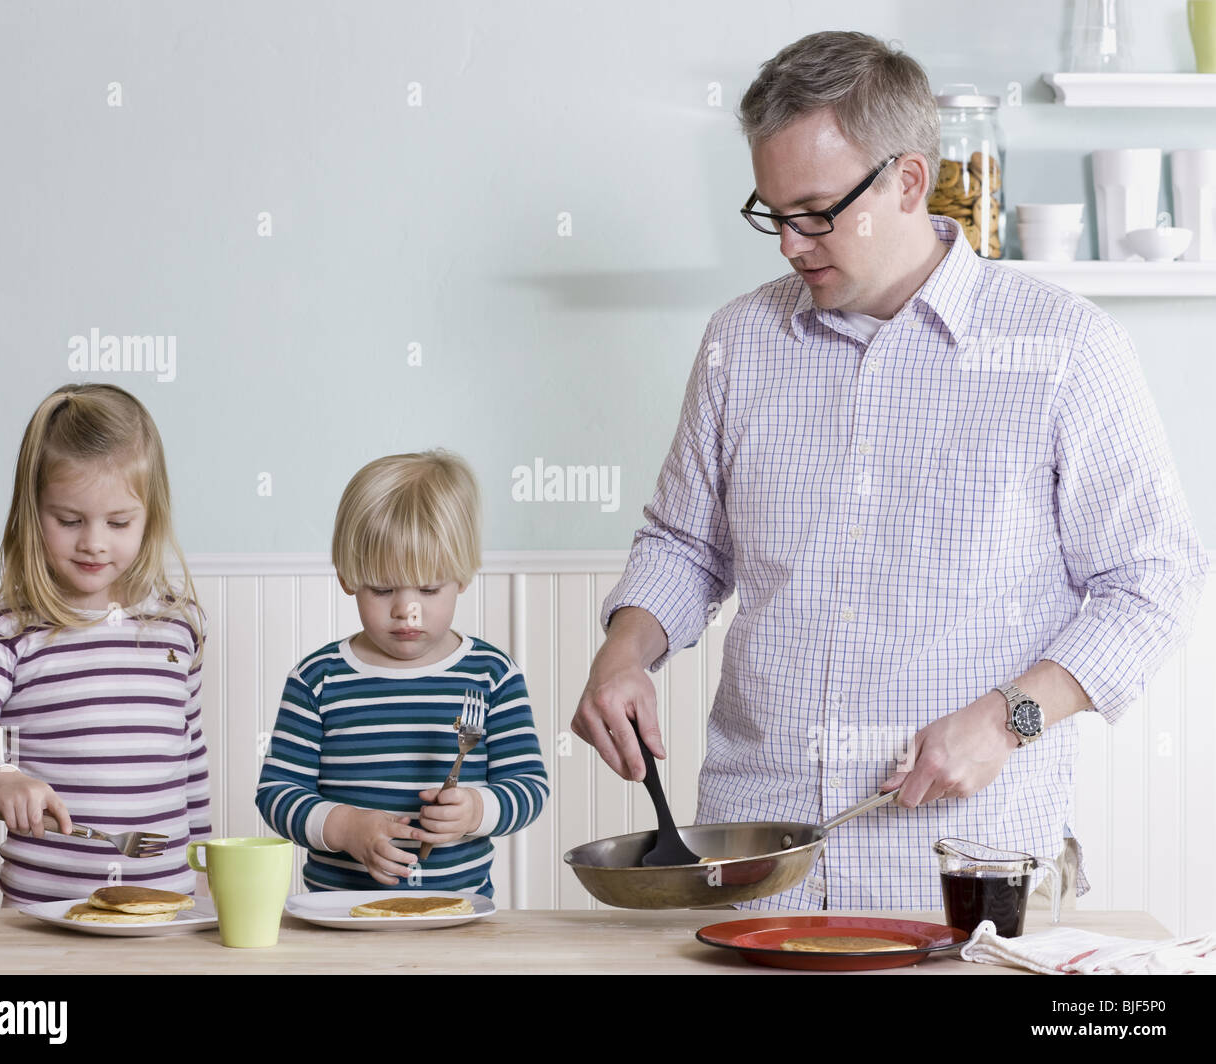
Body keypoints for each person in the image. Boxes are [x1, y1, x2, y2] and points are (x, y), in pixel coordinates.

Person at [570, 31, 1209, 911]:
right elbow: (684, 543)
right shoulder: (738, 344)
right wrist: (623, 652)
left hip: (964, 874)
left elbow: (1155, 579)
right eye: (772, 213)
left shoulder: (1065, 347)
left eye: (817, 211)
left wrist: (1009, 718)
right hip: (761, 872)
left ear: (909, 181)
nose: (789, 245)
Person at [0, 383, 211, 907]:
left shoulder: (179, 623)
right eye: (70, 520)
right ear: (32, 512)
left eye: (119, 522)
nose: (94, 542)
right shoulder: (8, 630)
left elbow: (190, 761)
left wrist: (207, 870)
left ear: (152, 516)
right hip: (42, 915)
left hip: (165, 907)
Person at [255, 449, 548, 898]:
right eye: (382, 588)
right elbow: (276, 793)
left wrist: (475, 810)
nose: (406, 609)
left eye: (429, 588)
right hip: (339, 921)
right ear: (347, 576)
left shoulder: (494, 676)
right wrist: (345, 827)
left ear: (464, 576)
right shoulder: (317, 680)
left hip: (457, 916)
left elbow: (529, 788)